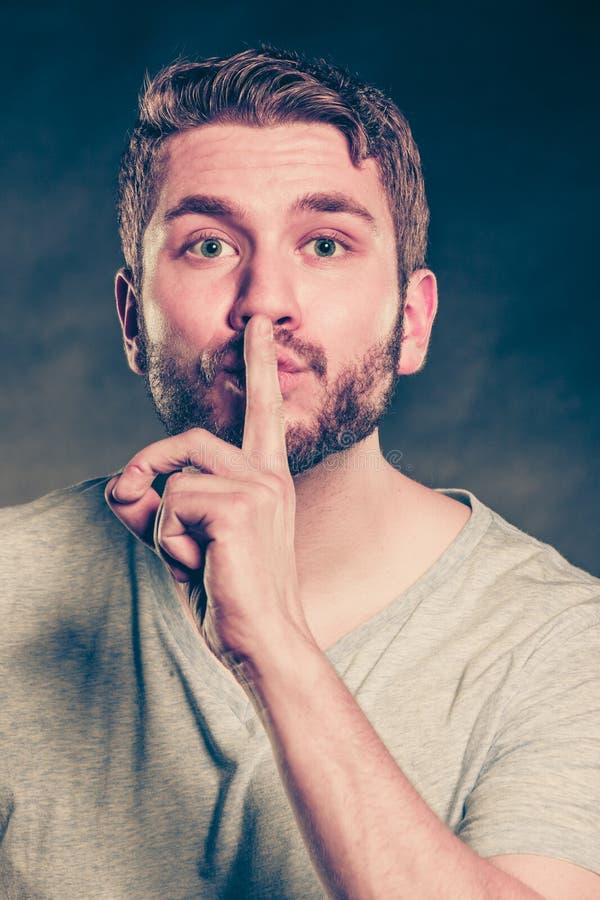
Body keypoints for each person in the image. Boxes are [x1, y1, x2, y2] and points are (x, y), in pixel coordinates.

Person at [1, 46, 598, 900]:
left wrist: (273, 641)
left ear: (413, 322)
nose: (264, 300)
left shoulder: (563, 642)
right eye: (208, 245)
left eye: (325, 243)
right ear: (133, 321)